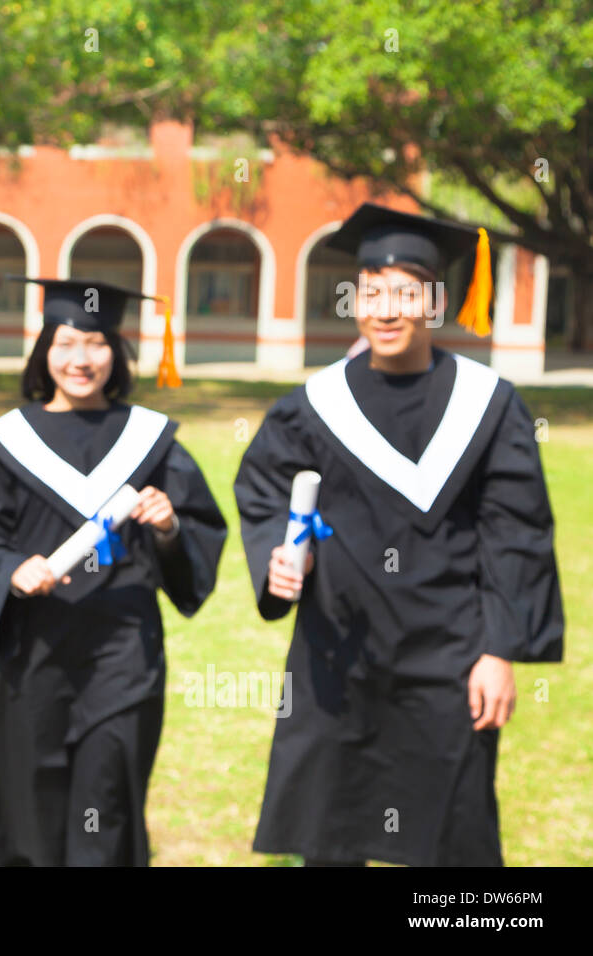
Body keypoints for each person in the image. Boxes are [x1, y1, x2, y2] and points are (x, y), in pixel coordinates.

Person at [234, 203, 563, 867]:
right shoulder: (315, 406)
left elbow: (515, 531)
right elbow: (265, 492)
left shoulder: (488, 405)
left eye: (405, 293)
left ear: (433, 302)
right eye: (372, 292)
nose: (386, 309)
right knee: (331, 830)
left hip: (448, 657)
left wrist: (500, 649)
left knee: (451, 835)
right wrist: (278, 555)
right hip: (337, 653)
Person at [0, 277, 227, 866]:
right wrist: (13, 570)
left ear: (117, 354)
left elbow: (197, 544)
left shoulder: (153, 441)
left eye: (97, 344)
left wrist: (169, 527)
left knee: (109, 800)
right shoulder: (8, 443)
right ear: (44, 350)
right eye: (66, 342)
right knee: (27, 803)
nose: (80, 359)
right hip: (32, 654)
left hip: (121, 652)